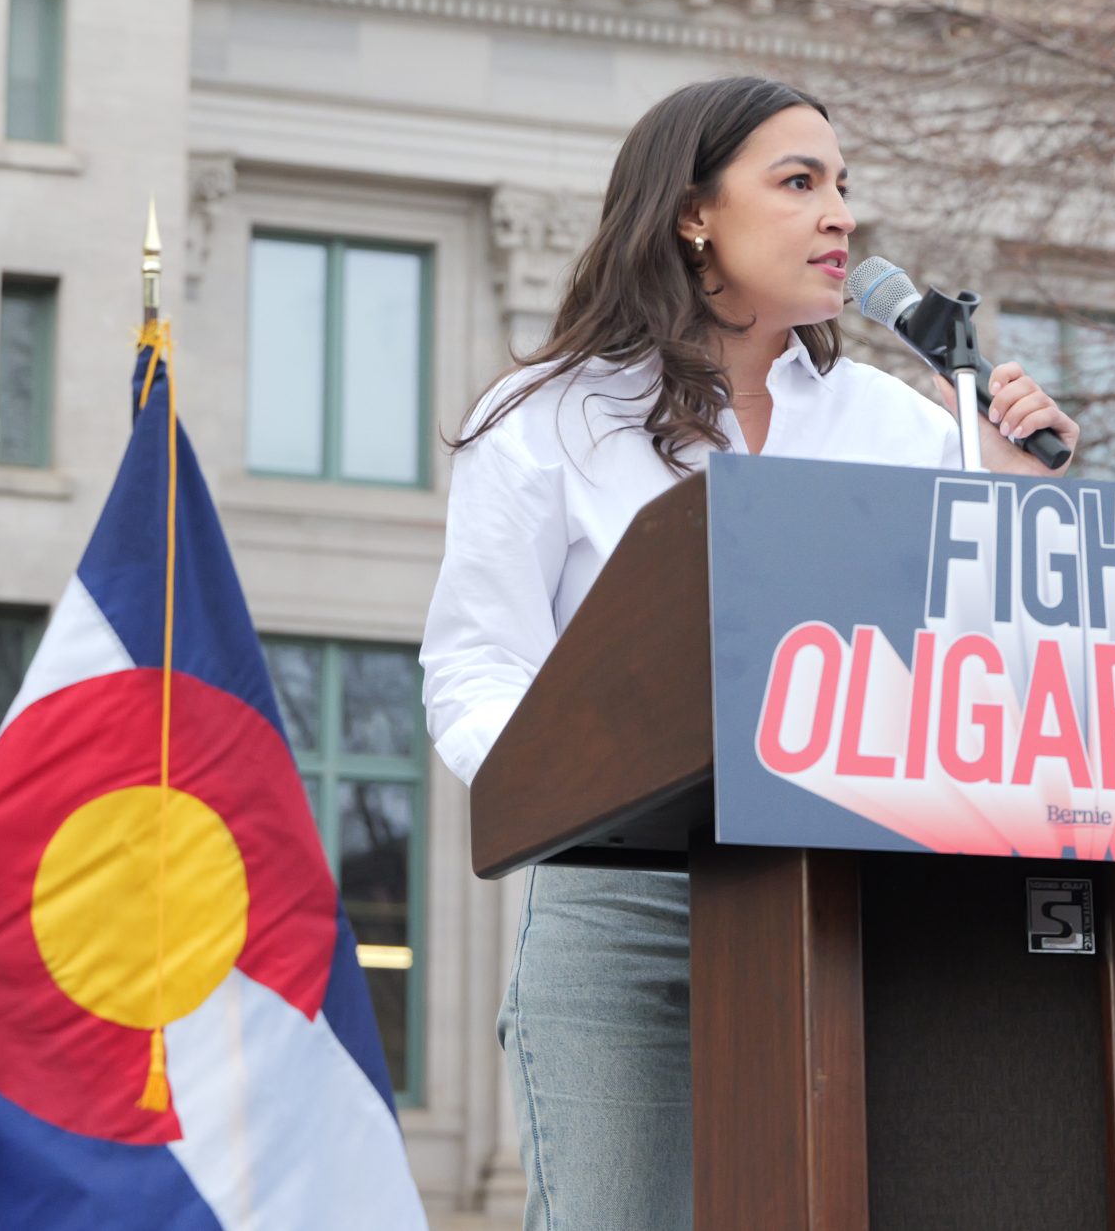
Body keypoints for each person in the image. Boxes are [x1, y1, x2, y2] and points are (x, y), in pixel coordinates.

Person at [420, 75, 1079, 1230]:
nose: (838, 216)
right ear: (692, 214)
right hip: (626, 906)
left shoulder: (895, 422)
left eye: (842, 187)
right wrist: (571, 793)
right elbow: (474, 669)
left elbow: (1012, 659)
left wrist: (1014, 487)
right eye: (797, 183)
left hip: (863, 899)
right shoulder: (548, 415)